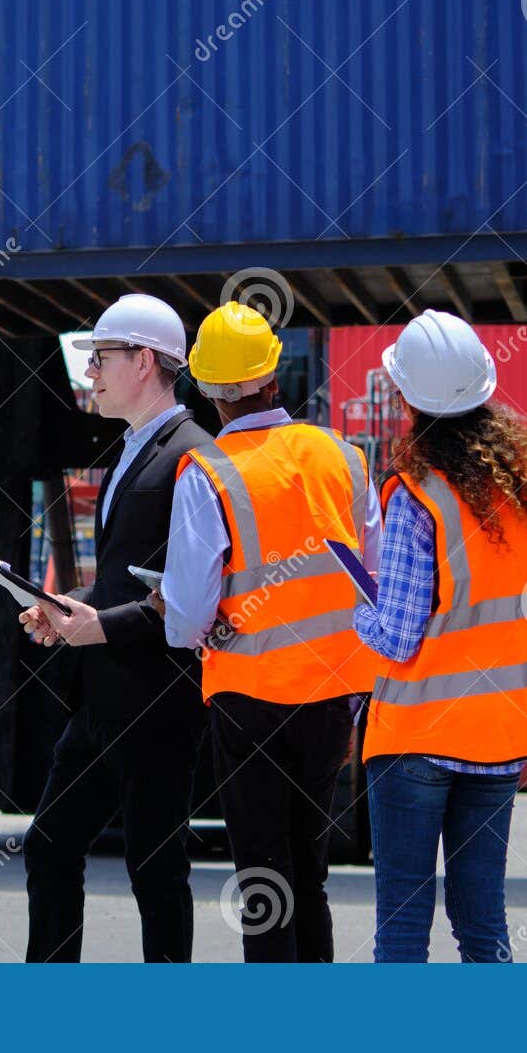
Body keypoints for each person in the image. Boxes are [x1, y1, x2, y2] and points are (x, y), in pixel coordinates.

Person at [156, 300, 380, 962]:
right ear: (275, 373)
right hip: (333, 697)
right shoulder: (341, 454)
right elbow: (371, 575)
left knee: (265, 874)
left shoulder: (208, 473)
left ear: (204, 390)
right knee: (309, 870)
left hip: (248, 698)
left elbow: (185, 620)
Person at [354, 310, 527, 963]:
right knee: (484, 929)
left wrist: (355, 604)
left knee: (402, 930)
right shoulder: (525, 499)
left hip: (417, 739)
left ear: (408, 401)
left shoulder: (416, 495)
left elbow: (395, 636)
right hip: (499, 743)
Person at [19, 294, 213, 962]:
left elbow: (193, 602)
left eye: (101, 358)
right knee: (48, 843)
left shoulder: (191, 457)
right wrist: (63, 607)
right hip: (102, 700)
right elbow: (124, 583)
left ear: (146, 361)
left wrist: (98, 625)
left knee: (156, 870)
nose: (90, 373)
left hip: (159, 704)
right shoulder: (133, 450)